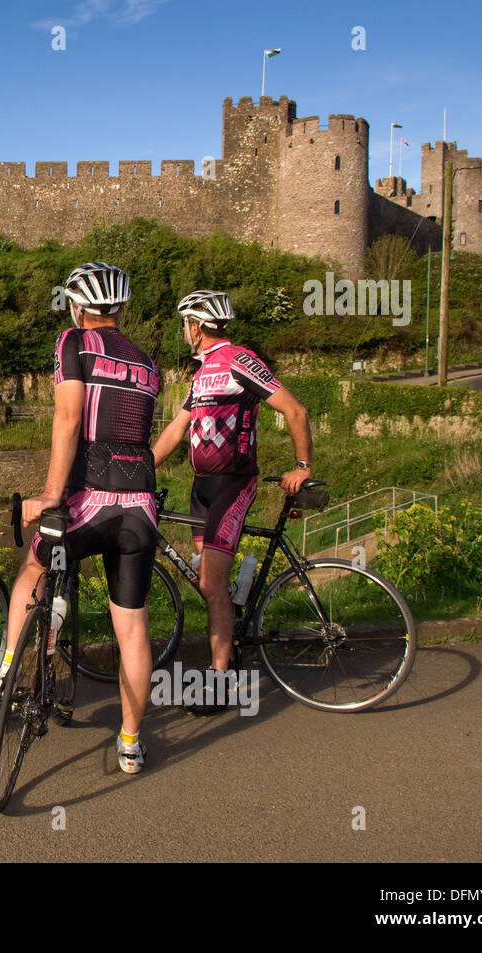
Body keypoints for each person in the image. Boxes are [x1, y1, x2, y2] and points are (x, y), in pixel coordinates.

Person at [0, 262, 160, 774]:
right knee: (132, 630)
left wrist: (49, 496)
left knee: (33, 568)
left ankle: (6, 669)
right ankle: (130, 743)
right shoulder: (150, 363)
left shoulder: (75, 342)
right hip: (141, 507)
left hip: (91, 500)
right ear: (122, 308)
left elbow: (69, 419)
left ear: (77, 306)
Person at [151, 290, 313, 712]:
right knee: (211, 586)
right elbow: (173, 433)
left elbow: (295, 410)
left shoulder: (240, 360)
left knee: (210, 584)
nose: (183, 331)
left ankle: (222, 684)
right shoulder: (200, 374)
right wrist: (137, 469)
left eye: (185, 323)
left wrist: (302, 465)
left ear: (196, 326)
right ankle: (231, 649)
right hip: (202, 488)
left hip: (232, 484)